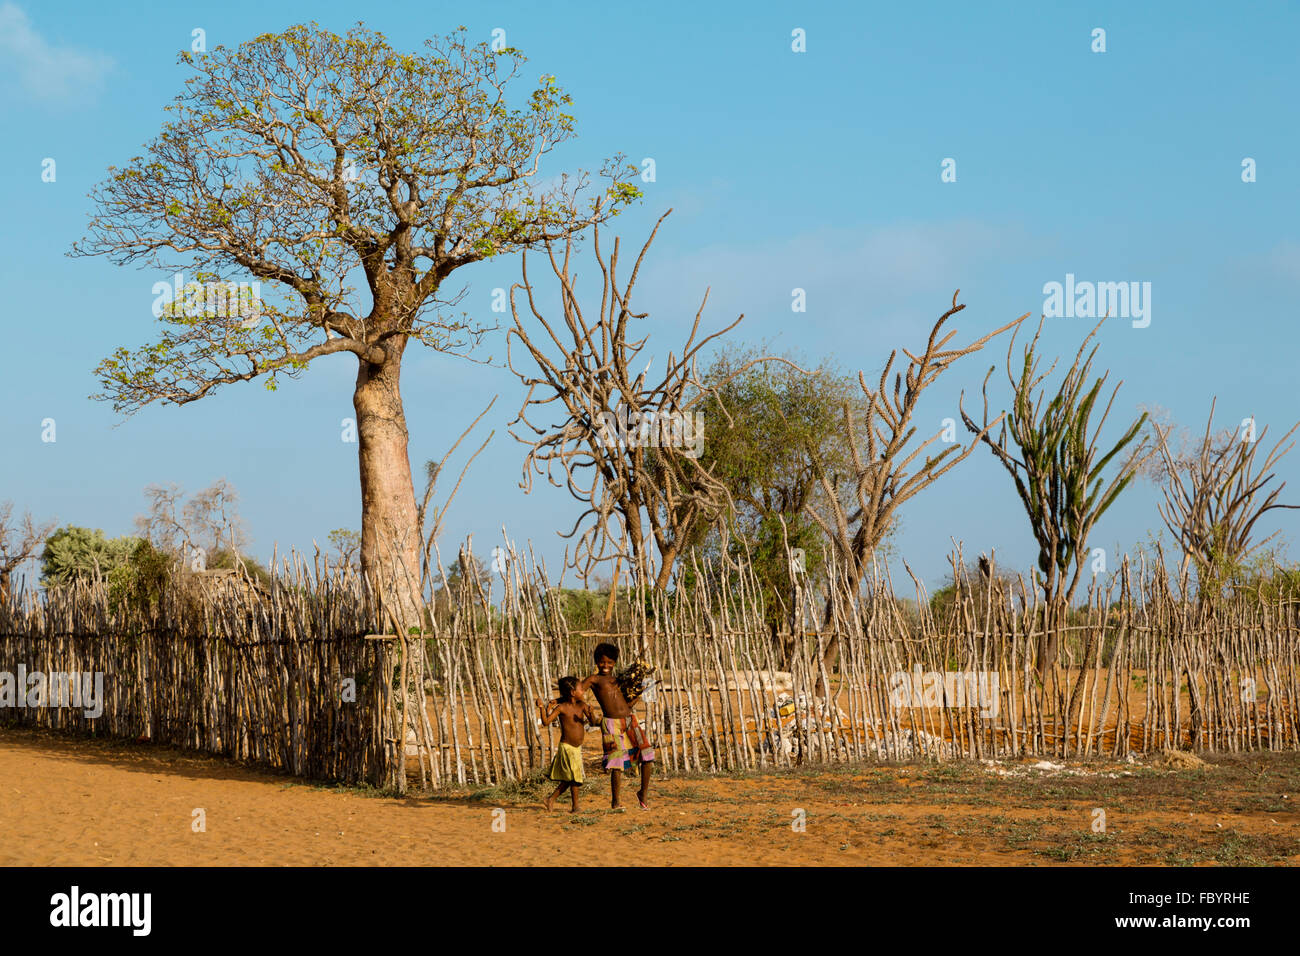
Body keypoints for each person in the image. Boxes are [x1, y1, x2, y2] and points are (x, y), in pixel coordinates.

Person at [579, 642, 654, 810]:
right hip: (611, 724)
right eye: (602, 662)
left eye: (610, 662)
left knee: (647, 755)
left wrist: (641, 692)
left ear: (615, 663)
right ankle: (616, 802)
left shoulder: (619, 679)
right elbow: (577, 692)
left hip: (629, 719)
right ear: (596, 661)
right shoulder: (594, 679)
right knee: (616, 762)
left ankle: (643, 793)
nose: (606, 665)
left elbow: (628, 702)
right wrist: (587, 711)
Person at [536, 677, 597, 812]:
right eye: (581, 689)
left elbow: (593, 723)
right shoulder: (561, 708)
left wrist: (591, 713)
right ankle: (575, 807)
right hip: (567, 747)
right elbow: (546, 722)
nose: (584, 691)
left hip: (576, 748)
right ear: (572, 692)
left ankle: (551, 799)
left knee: (571, 778)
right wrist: (541, 707)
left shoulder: (582, 706)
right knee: (574, 778)